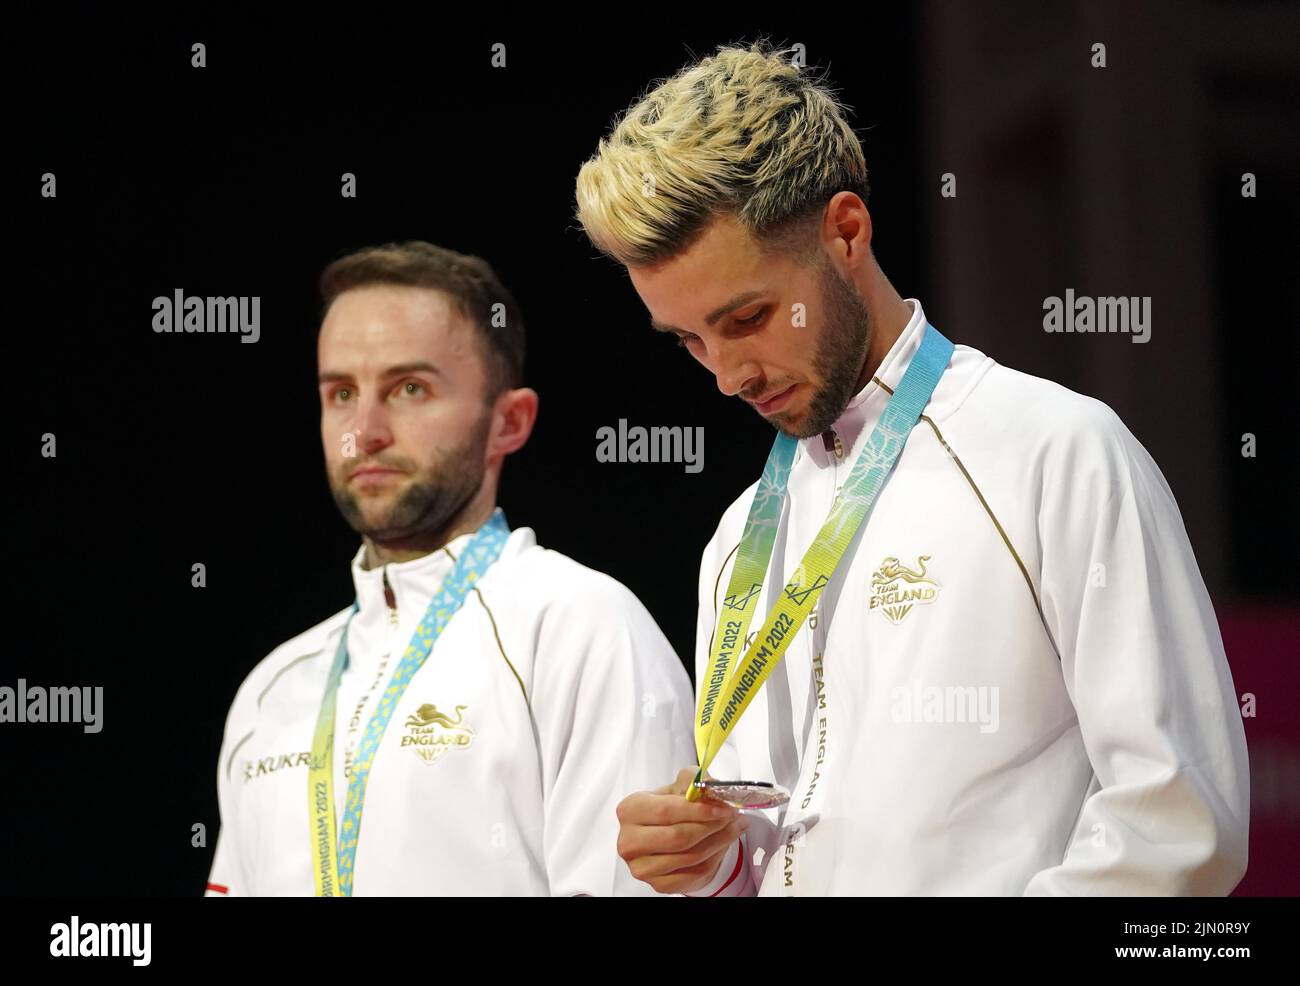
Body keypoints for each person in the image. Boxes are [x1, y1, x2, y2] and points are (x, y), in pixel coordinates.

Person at [576, 42, 1249, 895]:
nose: (725, 374)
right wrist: (709, 862)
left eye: (746, 317)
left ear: (847, 231)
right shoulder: (739, 538)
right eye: (689, 340)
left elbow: (1180, 826)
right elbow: (771, 843)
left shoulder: (1055, 452)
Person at [205, 241, 695, 896]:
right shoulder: (269, 692)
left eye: (410, 388)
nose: (366, 430)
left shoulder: (578, 628)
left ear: (509, 422)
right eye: (341, 393)